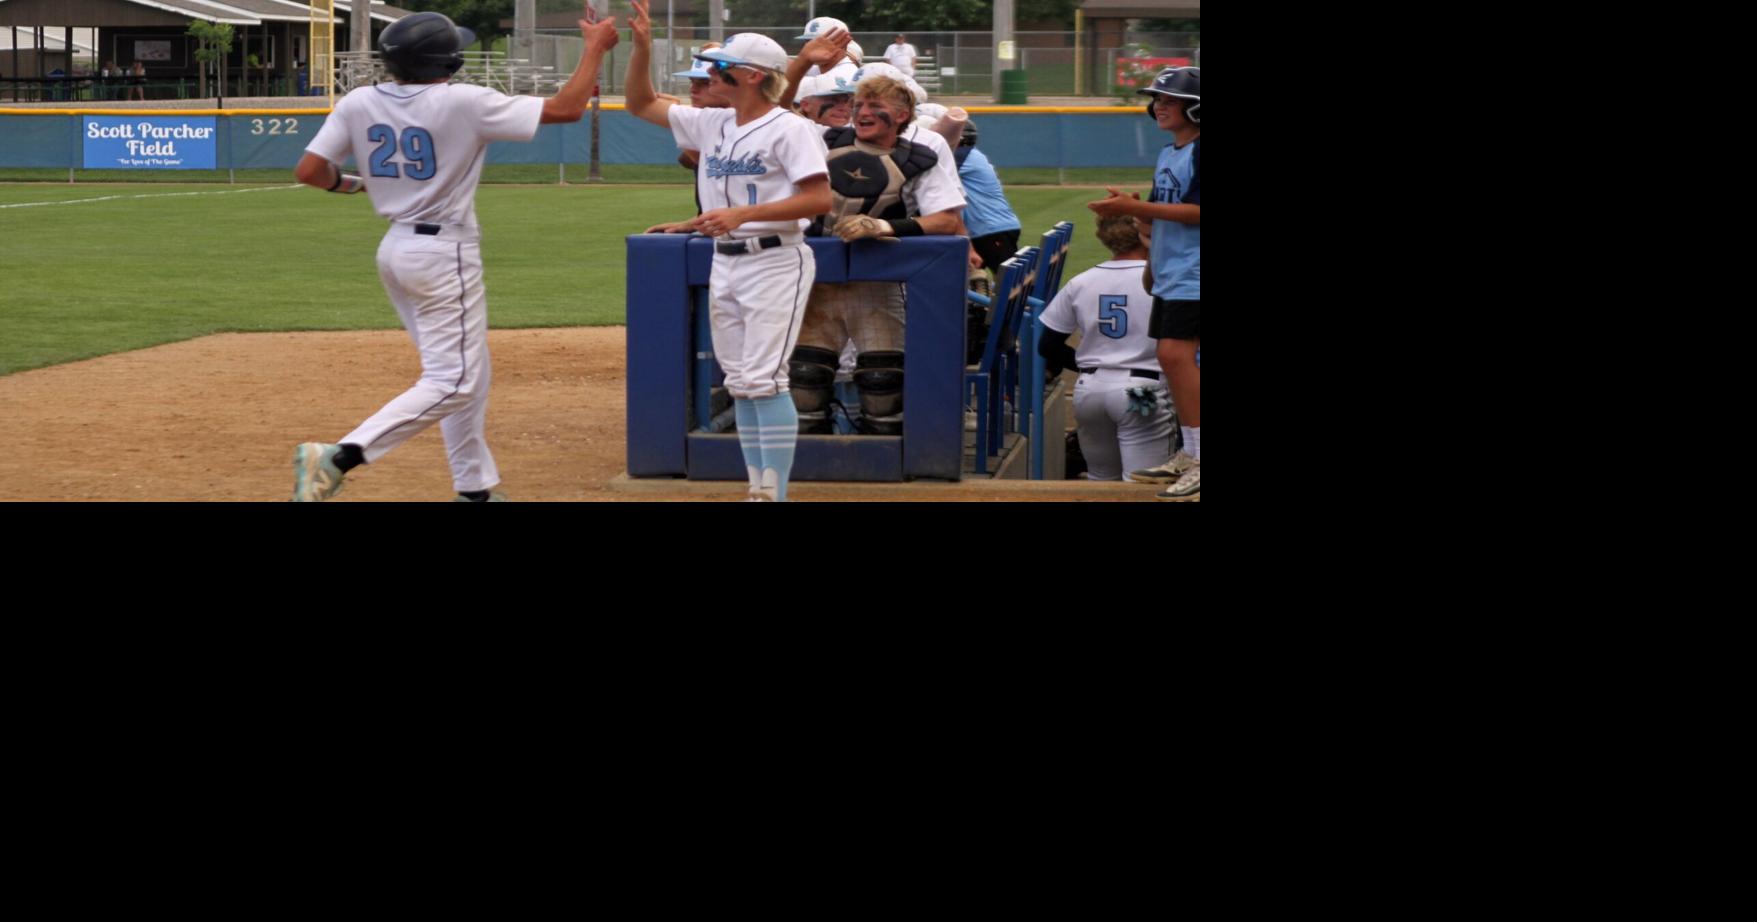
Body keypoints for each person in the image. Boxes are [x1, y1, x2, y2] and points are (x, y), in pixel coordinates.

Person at [288, 7, 621, 502]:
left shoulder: (358, 101)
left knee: (468, 371)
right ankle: (340, 456)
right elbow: (568, 108)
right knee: (457, 381)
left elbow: (311, 171)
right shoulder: (463, 100)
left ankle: (475, 489)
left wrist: (359, 185)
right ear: (450, 60)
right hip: (444, 252)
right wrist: (594, 49)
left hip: (397, 247)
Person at [624, 0, 831, 502]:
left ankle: (774, 493)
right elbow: (639, 103)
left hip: (776, 259)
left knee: (765, 378)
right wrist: (642, 46)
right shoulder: (713, 124)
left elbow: (819, 198)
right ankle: (755, 488)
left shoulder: (789, 127)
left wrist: (740, 216)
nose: (708, 75)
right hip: (727, 259)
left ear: (753, 76)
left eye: (719, 68)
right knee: (740, 381)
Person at [787, 72, 966, 436]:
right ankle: (808, 471)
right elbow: (774, 116)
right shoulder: (823, 140)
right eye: (859, 105)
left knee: (882, 383)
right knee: (805, 378)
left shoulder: (918, 159)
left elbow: (947, 221)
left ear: (901, 115)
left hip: (876, 281)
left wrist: (885, 227)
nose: (862, 113)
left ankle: (880, 471)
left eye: (875, 106)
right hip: (812, 277)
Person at [1088, 66, 1200, 500]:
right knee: (1174, 359)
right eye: (1156, 99)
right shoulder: (1170, 153)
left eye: (1168, 100)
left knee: (1173, 355)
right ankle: (1189, 450)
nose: (1158, 106)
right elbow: (1161, 213)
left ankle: (1197, 455)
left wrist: (1144, 209)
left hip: (1194, 272)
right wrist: (1138, 213)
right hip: (1175, 272)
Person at [1037, 214, 1174, 482]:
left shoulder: (1081, 282)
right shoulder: (1164, 282)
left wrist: (1098, 368)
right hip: (1141, 393)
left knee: (1101, 482)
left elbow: (1048, 345)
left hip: (1090, 391)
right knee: (1142, 485)